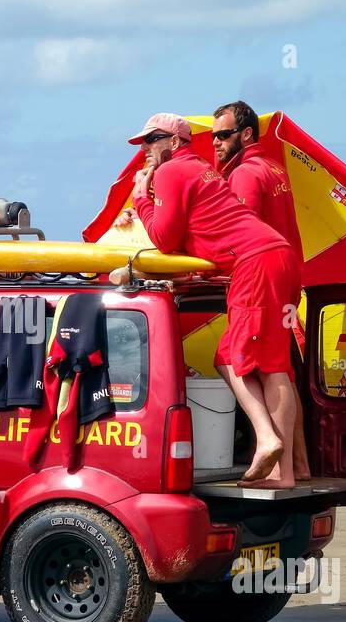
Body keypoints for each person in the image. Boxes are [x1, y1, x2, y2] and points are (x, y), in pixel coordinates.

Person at [112, 113, 303, 488]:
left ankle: (266, 439)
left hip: (255, 264)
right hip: (278, 258)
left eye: (152, 140)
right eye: (143, 143)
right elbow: (201, 226)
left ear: (175, 141)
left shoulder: (172, 172)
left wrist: (141, 197)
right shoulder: (203, 169)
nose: (145, 150)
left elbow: (165, 239)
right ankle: (287, 474)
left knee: (230, 358)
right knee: (274, 365)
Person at [211, 100, 311, 480]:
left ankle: (278, 468)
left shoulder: (246, 176)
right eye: (214, 136)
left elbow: (240, 232)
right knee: (279, 366)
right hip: (286, 275)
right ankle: (297, 465)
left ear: (247, 133)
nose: (216, 143)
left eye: (224, 135)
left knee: (245, 362)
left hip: (260, 275)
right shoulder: (273, 168)